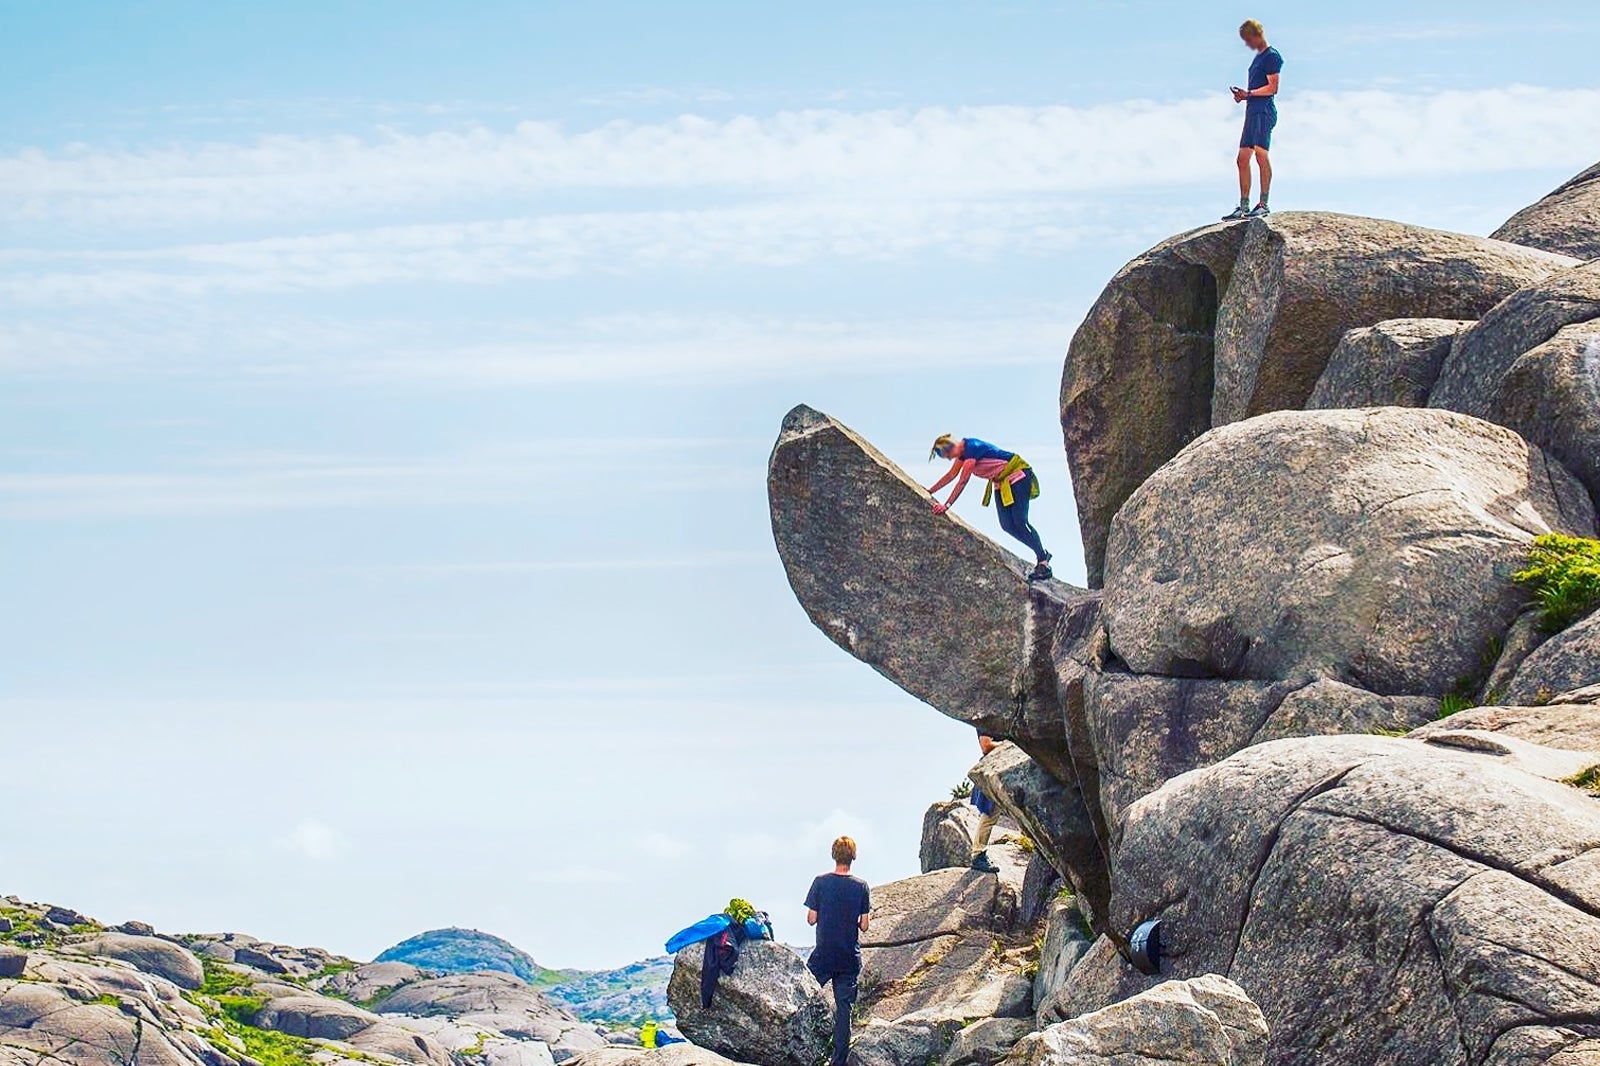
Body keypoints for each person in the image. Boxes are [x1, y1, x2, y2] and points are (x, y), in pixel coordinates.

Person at [927, 435, 1052, 582]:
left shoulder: (972, 448)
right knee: (1007, 525)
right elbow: (951, 475)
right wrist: (930, 491)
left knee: (1020, 521)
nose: (949, 459)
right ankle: (1041, 553)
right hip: (1000, 481)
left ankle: (1043, 561)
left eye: (947, 455)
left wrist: (946, 506)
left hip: (1017, 474)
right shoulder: (963, 455)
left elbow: (962, 481)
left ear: (951, 446)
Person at [805, 836, 872, 1066]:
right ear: (853, 856)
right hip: (848, 956)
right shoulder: (861, 886)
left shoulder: (820, 882)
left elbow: (811, 919)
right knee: (844, 1009)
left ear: (834, 855)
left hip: (824, 953)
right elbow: (864, 925)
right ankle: (838, 1061)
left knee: (803, 995)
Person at [1223, 18, 1283, 220]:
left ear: (1257, 35)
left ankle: (1263, 203)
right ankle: (1244, 207)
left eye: (1248, 39)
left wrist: (1249, 93)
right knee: (1242, 159)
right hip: (1252, 111)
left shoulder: (1271, 56)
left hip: (1264, 111)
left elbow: (1273, 87)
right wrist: (1244, 95)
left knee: (1260, 154)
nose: (1247, 44)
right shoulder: (1258, 58)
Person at [969, 731, 1002, 874]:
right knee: (989, 814)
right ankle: (978, 855)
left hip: (999, 769)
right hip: (992, 770)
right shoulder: (984, 722)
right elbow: (986, 746)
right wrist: (1010, 746)